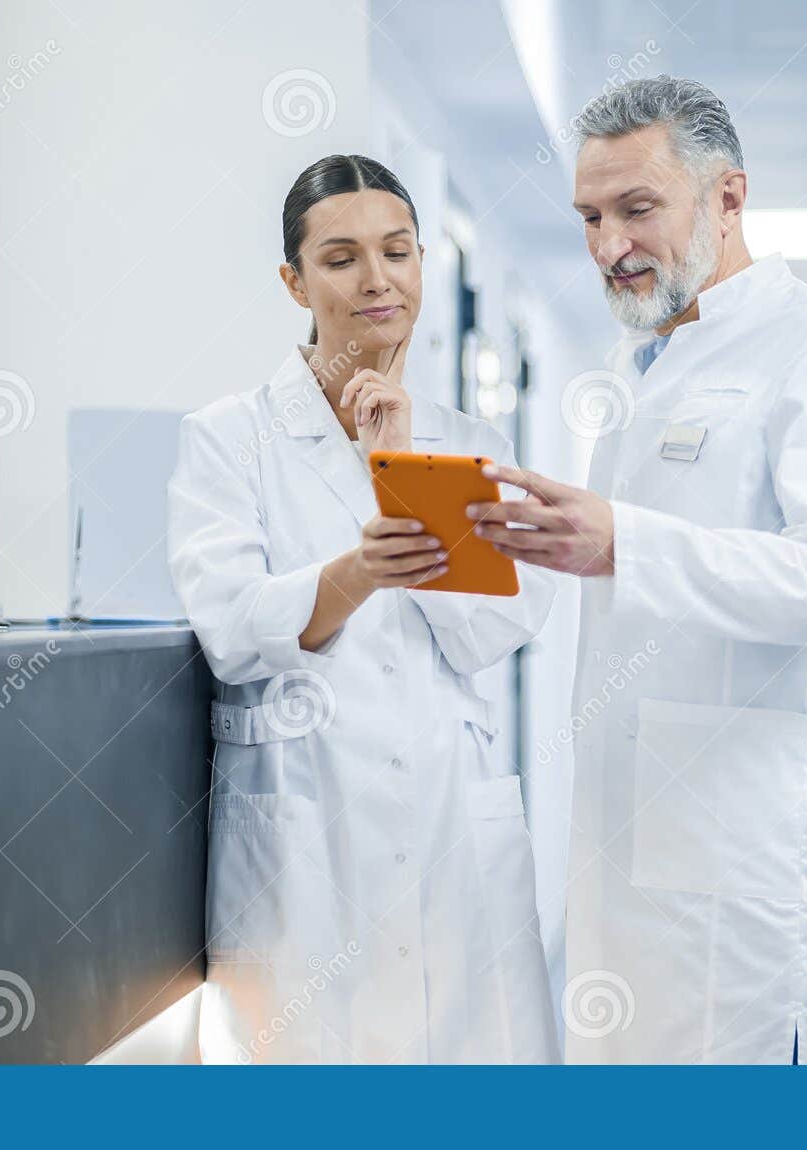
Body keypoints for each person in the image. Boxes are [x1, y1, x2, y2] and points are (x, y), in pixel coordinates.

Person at [468, 77, 807, 1063]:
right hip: (632, 864)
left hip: (748, 877)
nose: (606, 246)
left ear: (728, 199)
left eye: (636, 209)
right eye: (588, 216)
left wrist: (626, 542)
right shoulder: (645, 371)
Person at [167, 154, 558, 1064]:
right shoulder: (229, 439)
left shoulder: (472, 444)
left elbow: (498, 629)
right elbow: (232, 628)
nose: (378, 280)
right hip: (306, 836)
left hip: (451, 829)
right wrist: (359, 568)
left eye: (398, 251)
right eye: (341, 258)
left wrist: (404, 474)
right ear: (294, 280)